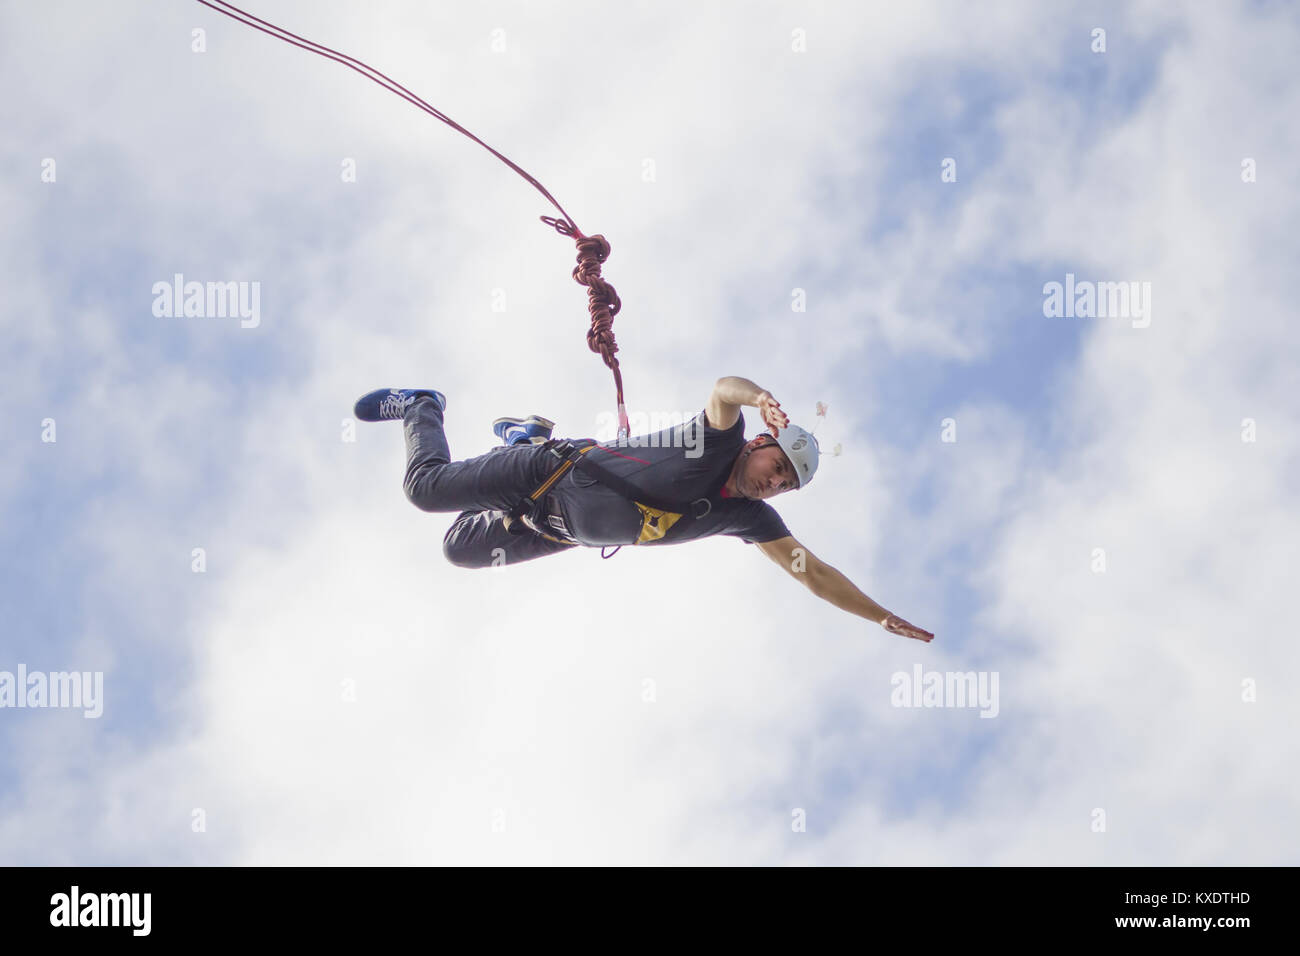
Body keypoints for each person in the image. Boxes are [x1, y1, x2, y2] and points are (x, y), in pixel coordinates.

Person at [354, 376, 934, 642]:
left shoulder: (749, 520)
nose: (774, 484)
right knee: (425, 490)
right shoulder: (718, 441)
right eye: (776, 468)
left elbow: (817, 576)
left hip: (552, 528)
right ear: (759, 444)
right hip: (550, 473)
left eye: (784, 485)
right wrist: (760, 398)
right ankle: (424, 407)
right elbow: (722, 390)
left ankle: (519, 436)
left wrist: (878, 615)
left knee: (459, 548)